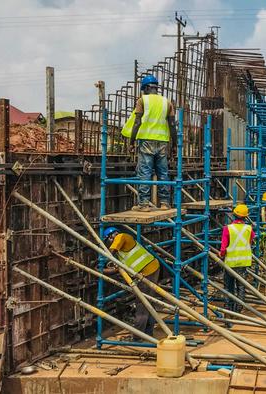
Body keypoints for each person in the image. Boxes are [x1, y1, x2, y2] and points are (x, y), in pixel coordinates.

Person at [121, 75, 177, 212]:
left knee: (145, 172)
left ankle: (144, 204)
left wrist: (132, 142)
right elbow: (172, 125)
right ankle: (165, 203)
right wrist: (174, 144)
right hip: (163, 141)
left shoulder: (143, 100)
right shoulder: (167, 102)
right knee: (163, 172)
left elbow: (137, 122)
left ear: (146, 88)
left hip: (147, 140)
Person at [103, 226, 161, 337]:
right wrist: (100, 270)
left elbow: (110, 253)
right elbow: (115, 270)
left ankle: (138, 336)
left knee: (142, 304)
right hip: (149, 271)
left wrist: (102, 259)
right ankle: (148, 331)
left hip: (148, 272)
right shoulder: (120, 254)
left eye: (108, 240)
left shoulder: (122, 236)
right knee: (148, 302)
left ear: (111, 237)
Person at [219, 204, 255, 312]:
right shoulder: (249, 229)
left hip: (230, 263)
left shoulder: (227, 228)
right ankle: (239, 308)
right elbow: (250, 242)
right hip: (243, 262)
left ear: (234, 215)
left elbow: (223, 248)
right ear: (245, 217)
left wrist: (221, 255)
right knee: (241, 286)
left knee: (228, 286)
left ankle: (228, 307)